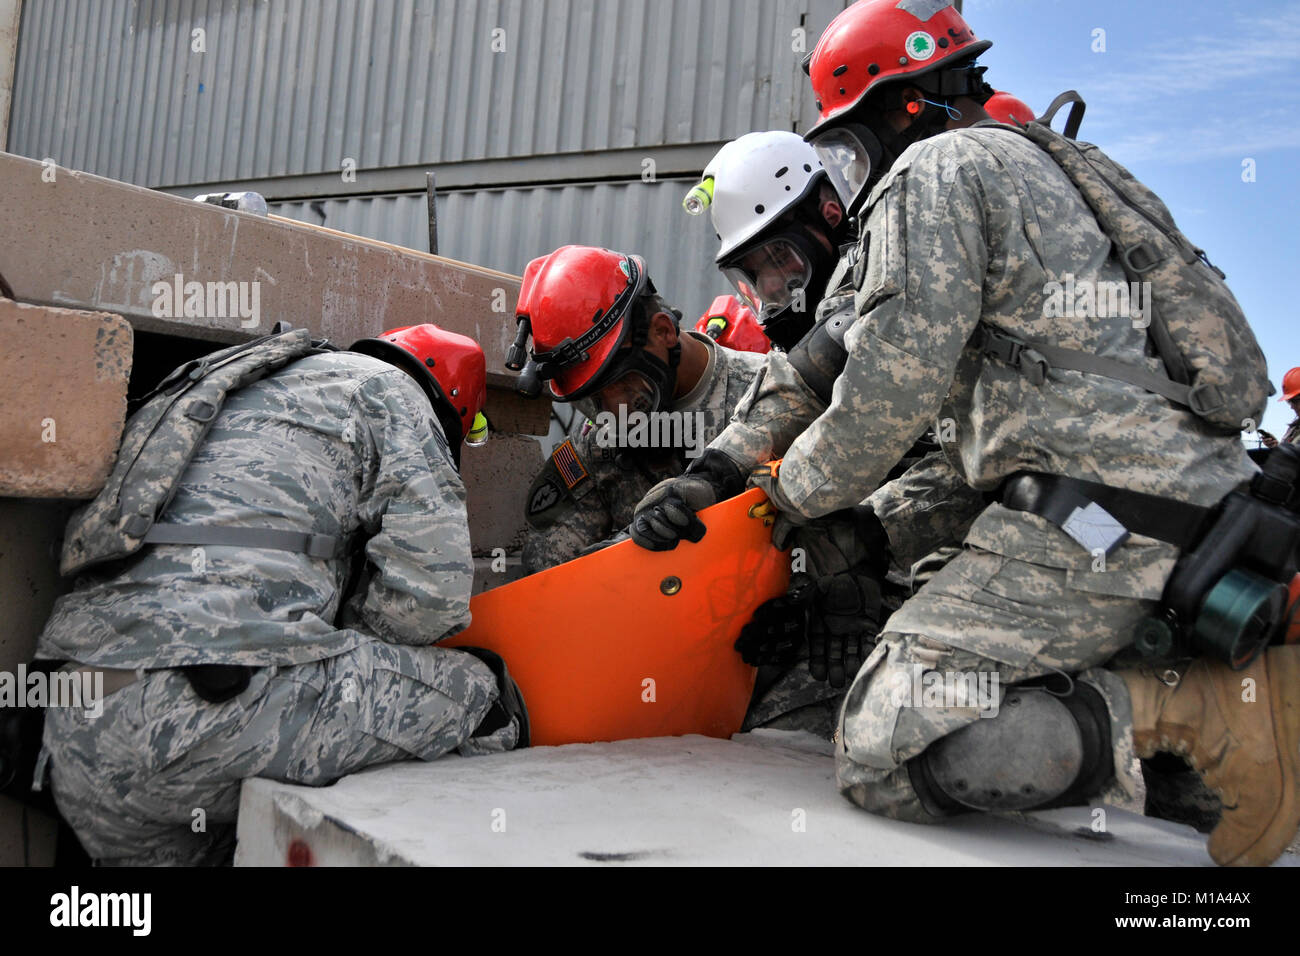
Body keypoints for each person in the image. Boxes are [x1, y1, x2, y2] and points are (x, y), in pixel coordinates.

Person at [632, 0, 1297, 866]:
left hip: (1087, 524)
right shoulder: (1062, 169)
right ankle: (1210, 721)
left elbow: (887, 391)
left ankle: (1197, 714)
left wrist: (778, 498)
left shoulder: (936, 169)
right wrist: (718, 470)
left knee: (885, 741)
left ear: (897, 107)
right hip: (1164, 514)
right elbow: (829, 374)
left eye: (847, 142)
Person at [35, 324, 527, 865]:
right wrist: (361, 645)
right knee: (482, 696)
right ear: (453, 404)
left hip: (70, 731)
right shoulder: (392, 391)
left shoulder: (251, 380)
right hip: (204, 715)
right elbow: (431, 595)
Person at [514, 245, 764, 575]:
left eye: (616, 383)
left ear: (663, 331)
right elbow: (547, 565)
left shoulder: (768, 396)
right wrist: (629, 549)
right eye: (591, 398)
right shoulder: (598, 441)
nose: (610, 412)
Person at [686, 131, 853, 351]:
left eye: (779, 255)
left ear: (830, 215)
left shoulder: (884, 296)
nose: (769, 286)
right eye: (753, 275)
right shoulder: (760, 342)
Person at [1262, 367, 1300, 447]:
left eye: (1295, 401)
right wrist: (1277, 447)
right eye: (1290, 402)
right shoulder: (1295, 428)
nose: (1292, 407)